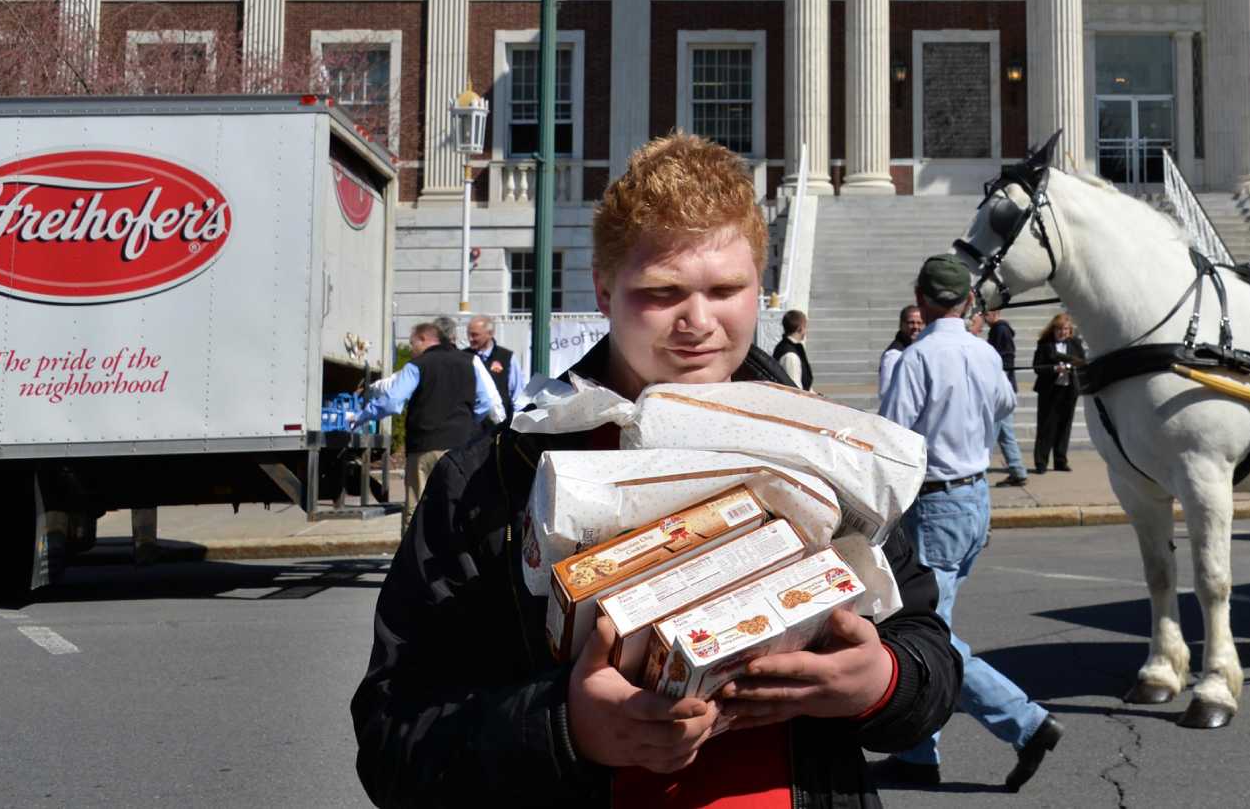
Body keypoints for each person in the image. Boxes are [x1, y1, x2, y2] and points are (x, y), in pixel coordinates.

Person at [351, 133, 956, 808]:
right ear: (604, 288)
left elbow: (930, 653)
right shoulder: (492, 477)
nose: (698, 321)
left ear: (761, 281)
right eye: (663, 292)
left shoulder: (829, 448)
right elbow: (391, 737)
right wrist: (565, 726)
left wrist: (882, 679)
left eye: (727, 288)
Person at [876, 255, 1063, 792]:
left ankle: (1025, 723)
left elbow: (892, 438)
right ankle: (917, 753)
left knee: (929, 634)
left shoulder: (917, 358)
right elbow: (1005, 406)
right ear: (966, 301)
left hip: (935, 501)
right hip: (974, 494)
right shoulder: (984, 354)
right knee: (929, 625)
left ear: (922, 296)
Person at [352, 321, 506, 534]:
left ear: (424, 338)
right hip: (459, 448)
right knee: (455, 506)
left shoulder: (417, 365)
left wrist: (363, 416)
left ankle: (414, 563)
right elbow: (487, 403)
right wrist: (468, 423)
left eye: (412, 342)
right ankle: (453, 561)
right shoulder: (471, 361)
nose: (412, 347)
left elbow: (392, 401)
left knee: (417, 510)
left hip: (423, 446)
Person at [1031, 313, 1087, 475]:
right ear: (1053, 329)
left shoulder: (1075, 344)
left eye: (1066, 329)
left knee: (1064, 426)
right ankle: (1041, 462)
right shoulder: (1044, 344)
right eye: (1060, 329)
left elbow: (1082, 362)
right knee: (1046, 426)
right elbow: (1037, 367)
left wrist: (1072, 366)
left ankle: (1060, 461)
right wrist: (1055, 369)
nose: (1063, 332)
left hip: (1069, 389)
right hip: (1049, 389)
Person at [985, 311, 1027, 488]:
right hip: (1004, 389)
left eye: (985, 313)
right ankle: (1018, 471)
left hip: (1001, 392)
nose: (983, 317)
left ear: (994, 313)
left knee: (989, 434)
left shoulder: (1000, 329)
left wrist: (1000, 385)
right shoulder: (999, 329)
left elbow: (1006, 359)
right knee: (1005, 433)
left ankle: (978, 472)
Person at [465, 315, 519, 422]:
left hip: (500, 422)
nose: (470, 339)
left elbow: (517, 393)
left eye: (475, 335)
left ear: (490, 334)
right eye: (469, 334)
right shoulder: (464, 357)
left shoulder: (506, 357)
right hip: (472, 423)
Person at [877, 305, 923, 399]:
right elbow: (885, 391)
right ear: (901, 324)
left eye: (919, 323)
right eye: (911, 322)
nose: (915, 326)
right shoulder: (893, 355)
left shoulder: (916, 348)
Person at [772, 308, 814, 390]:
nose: (806, 331)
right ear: (800, 329)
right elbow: (795, 389)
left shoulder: (784, 346)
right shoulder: (791, 356)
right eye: (805, 327)